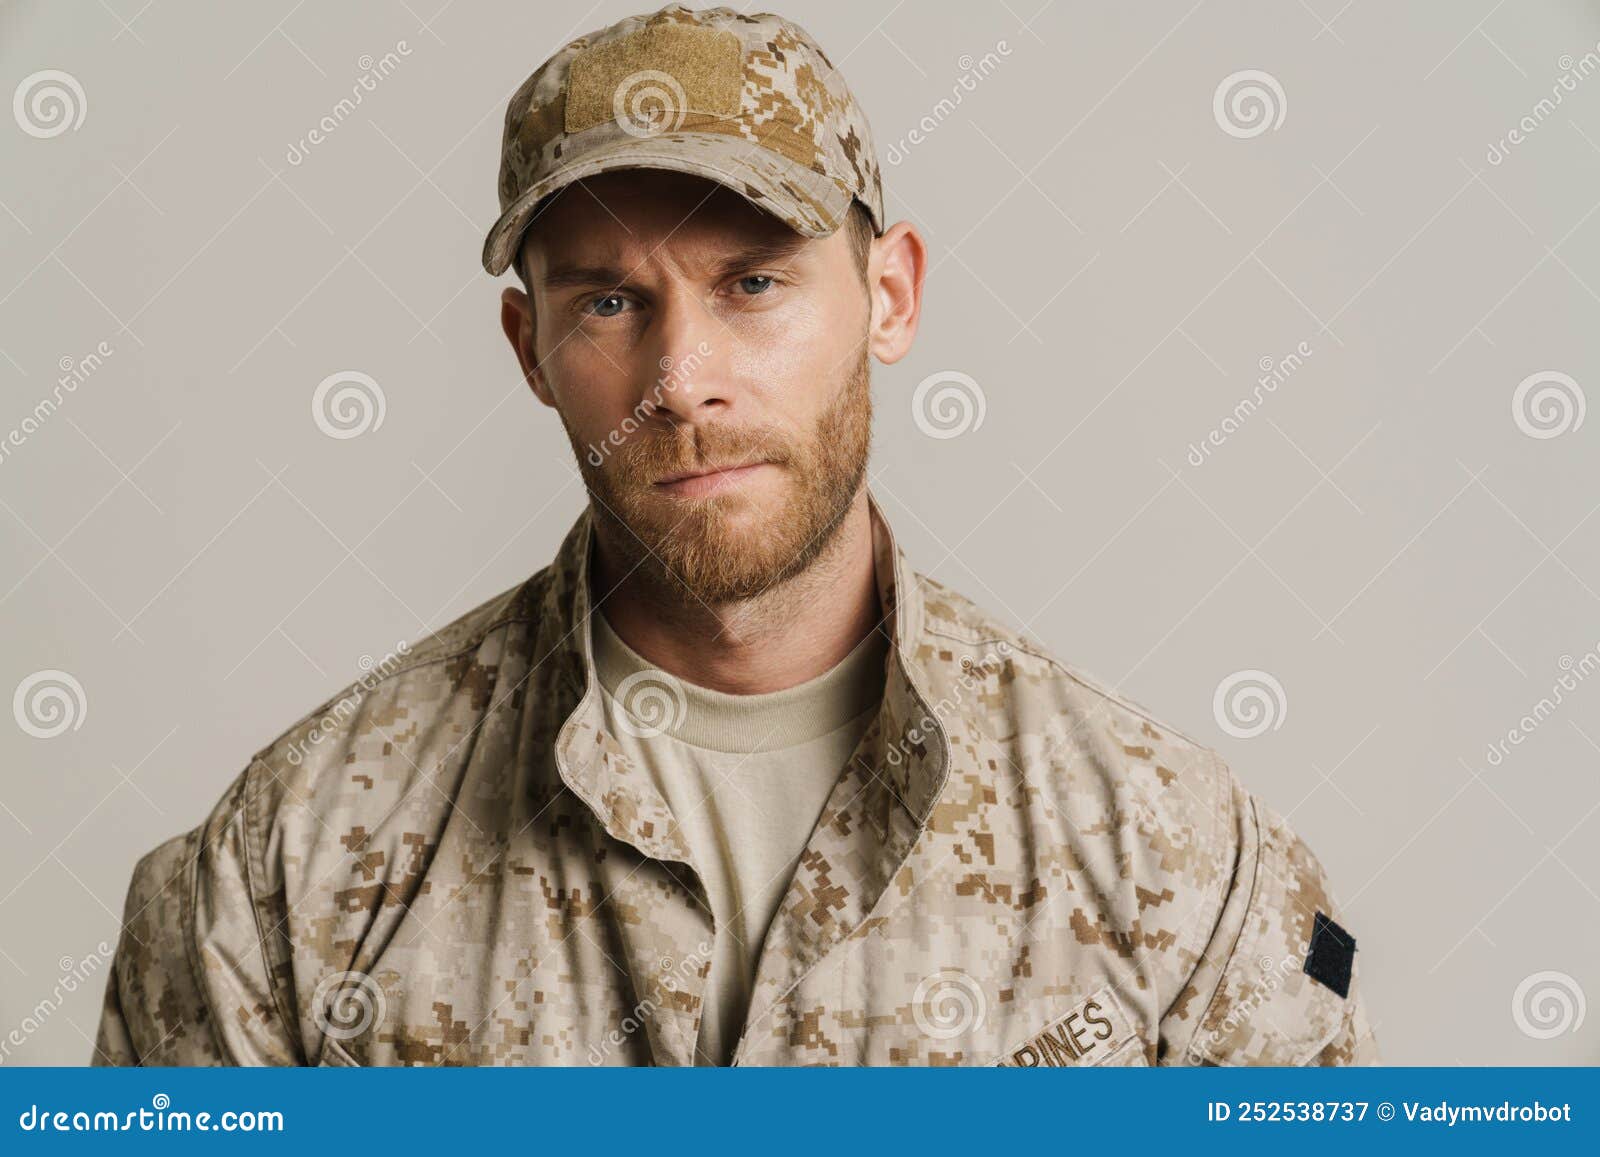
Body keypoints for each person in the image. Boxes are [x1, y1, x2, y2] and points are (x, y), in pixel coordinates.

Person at [94, 3, 1377, 1067]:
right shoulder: (283, 870)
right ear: (529, 348)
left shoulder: (1177, 863)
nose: (683, 378)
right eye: (607, 300)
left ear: (889, 295)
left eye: (752, 282)